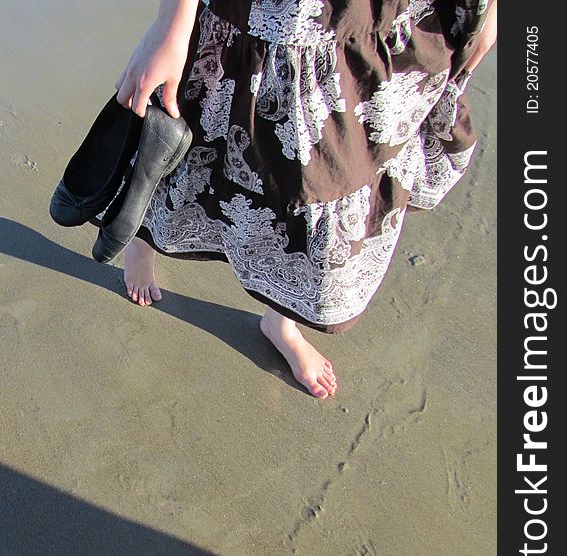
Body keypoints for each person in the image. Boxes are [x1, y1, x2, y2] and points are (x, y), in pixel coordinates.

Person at [113, 0, 497, 398]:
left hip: (375, 25)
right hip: (261, 18)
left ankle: (281, 321)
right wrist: (170, 25)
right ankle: (144, 244)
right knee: (181, 147)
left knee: (323, 188)